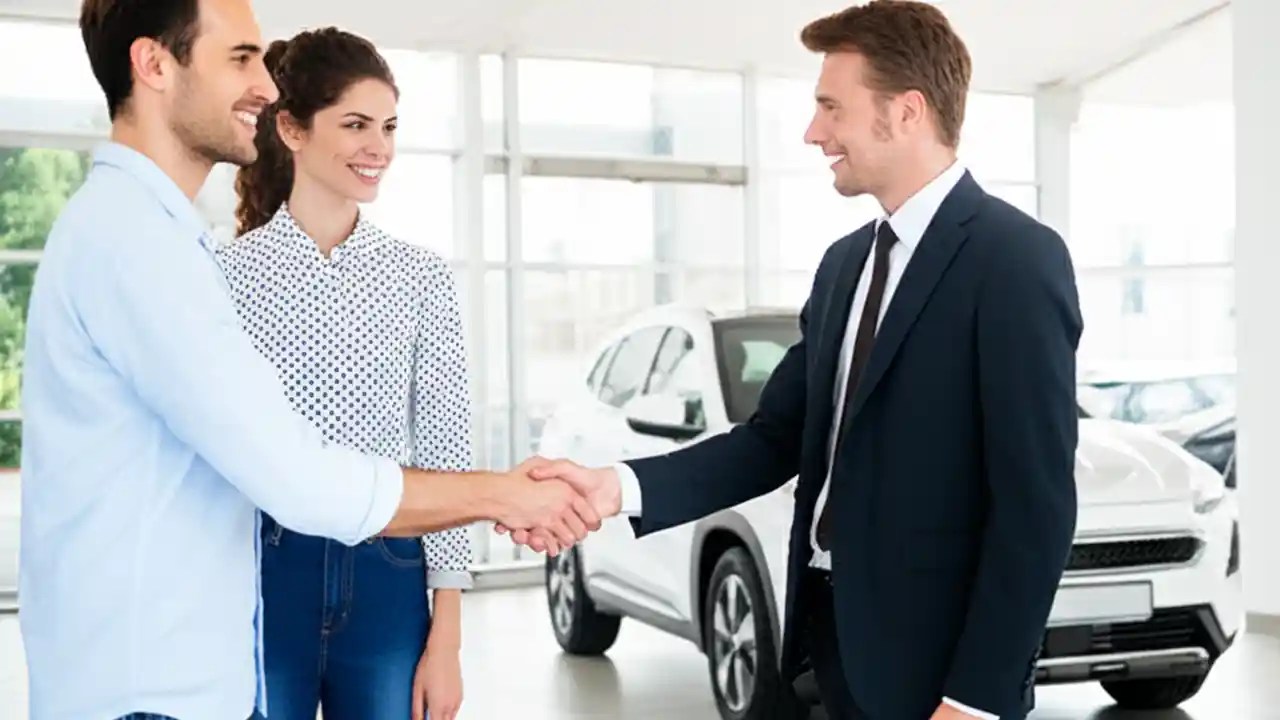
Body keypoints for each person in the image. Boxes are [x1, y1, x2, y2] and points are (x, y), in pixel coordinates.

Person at [19, 2, 598, 719]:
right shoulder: (153, 251)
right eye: (240, 59)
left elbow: (426, 440)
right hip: (181, 656)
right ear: (155, 64)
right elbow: (296, 475)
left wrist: (450, 607)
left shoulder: (162, 242)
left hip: (348, 583)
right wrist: (509, 495)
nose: (263, 84)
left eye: (388, 126)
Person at [507, 2, 1083, 719]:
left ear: (906, 112)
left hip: (941, 673)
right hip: (830, 648)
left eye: (830, 108)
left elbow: (1037, 505)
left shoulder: (1015, 260)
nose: (814, 133)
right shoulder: (844, 268)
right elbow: (774, 439)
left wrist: (976, 698)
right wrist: (612, 486)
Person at [218, 27, 466, 720]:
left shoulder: (421, 278)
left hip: (389, 573)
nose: (378, 147)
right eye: (355, 124)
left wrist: (445, 634)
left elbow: (446, 455)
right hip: (261, 568)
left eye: (387, 127)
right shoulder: (224, 275)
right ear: (291, 129)